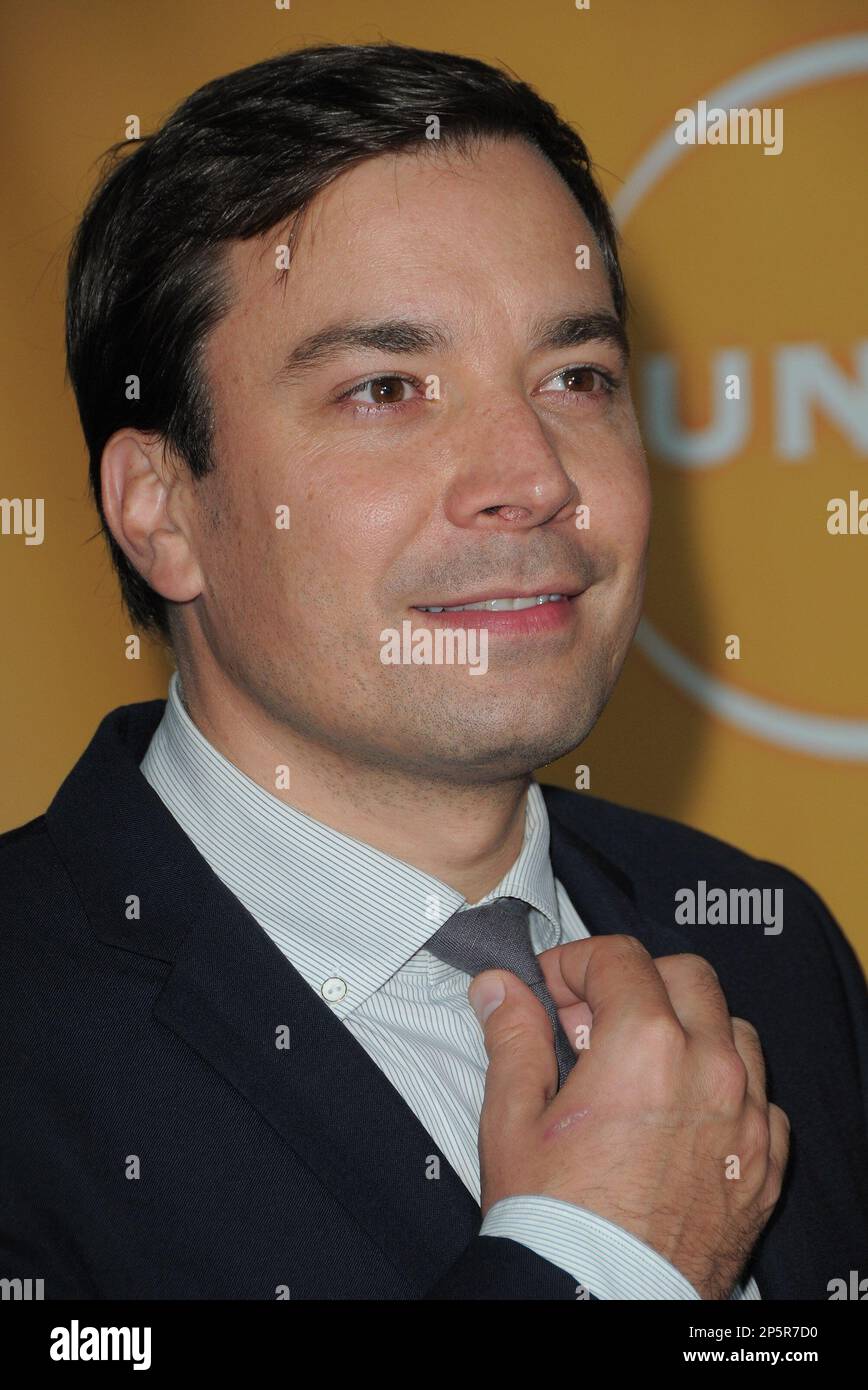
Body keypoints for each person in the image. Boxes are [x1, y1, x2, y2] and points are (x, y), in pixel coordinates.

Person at [2, 41, 865, 1302]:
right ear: (161, 507)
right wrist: (601, 1260)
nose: (533, 474)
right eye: (388, 389)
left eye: (576, 378)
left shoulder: (772, 948)